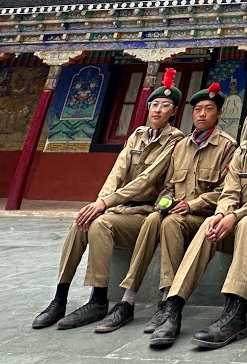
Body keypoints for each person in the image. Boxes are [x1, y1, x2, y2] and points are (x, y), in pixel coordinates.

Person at [32, 69, 184, 330]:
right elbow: (116, 173)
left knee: (101, 224)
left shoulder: (176, 140)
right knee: (82, 220)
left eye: (165, 106)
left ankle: (99, 298)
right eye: (154, 104)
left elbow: (147, 179)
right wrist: (98, 203)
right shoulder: (137, 136)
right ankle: (60, 296)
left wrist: (105, 205)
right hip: (119, 207)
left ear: (174, 111)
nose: (158, 110)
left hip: (145, 214)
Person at [150, 91, 247, 347]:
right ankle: (173, 307)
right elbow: (230, 192)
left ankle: (235, 311)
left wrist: (234, 215)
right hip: (234, 224)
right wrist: (221, 214)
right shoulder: (241, 153)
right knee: (210, 223)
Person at [116, 83, 239, 335]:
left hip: (201, 216)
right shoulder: (180, 146)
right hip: (175, 211)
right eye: (198, 110)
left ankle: (167, 298)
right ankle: (128, 298)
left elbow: (224, 191)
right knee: (153, 218)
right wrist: (165, 203)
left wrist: (191, 204)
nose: (202, 114)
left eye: (208, 109)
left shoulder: (227, 146)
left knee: (170, 223)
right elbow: (168, 186)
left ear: (218, 114)